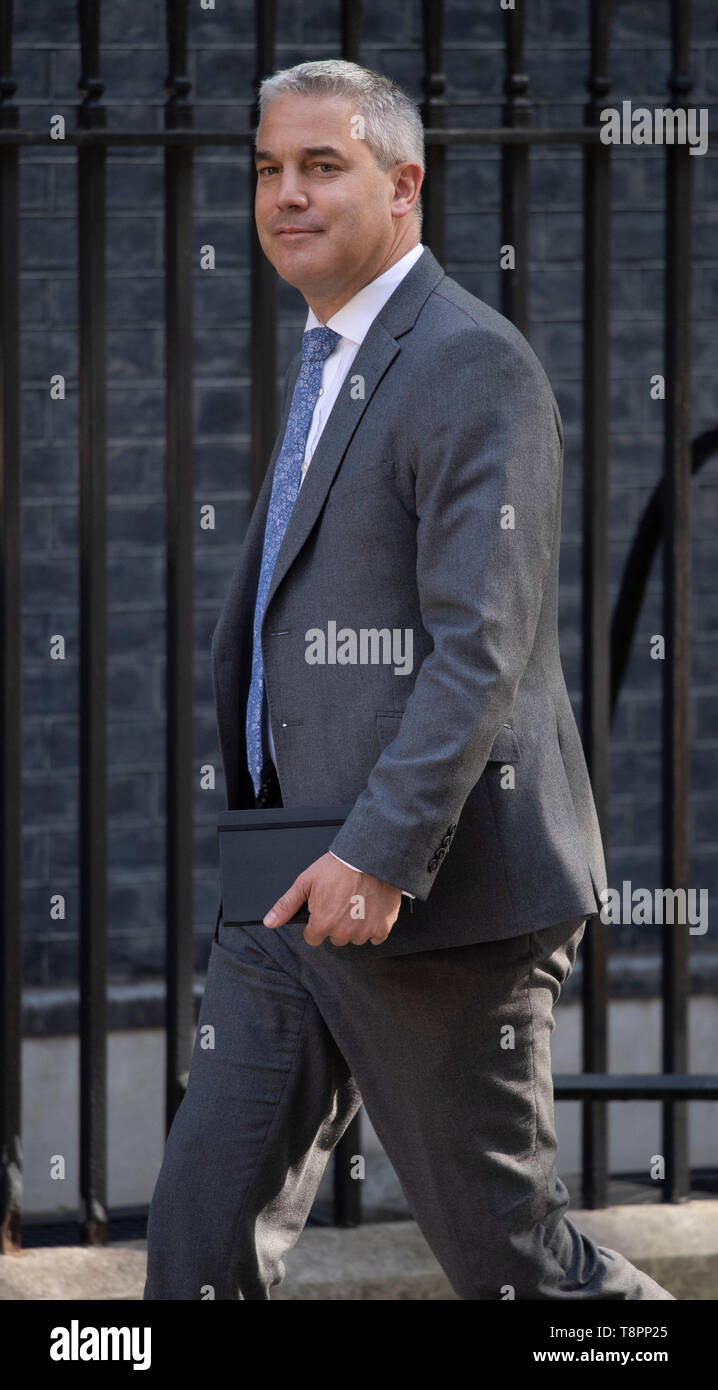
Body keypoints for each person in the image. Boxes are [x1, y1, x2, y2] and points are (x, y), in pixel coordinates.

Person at [143, 59, 674, 1301]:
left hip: (432, 896)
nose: (285, 195)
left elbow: (476, 646)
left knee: (515, 1264)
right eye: (268, 169)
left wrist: (380, 852)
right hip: (285, 882)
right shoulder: (332, 355)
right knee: (195, 1246)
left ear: (404, 185)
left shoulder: (467, 365)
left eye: (321, 166)